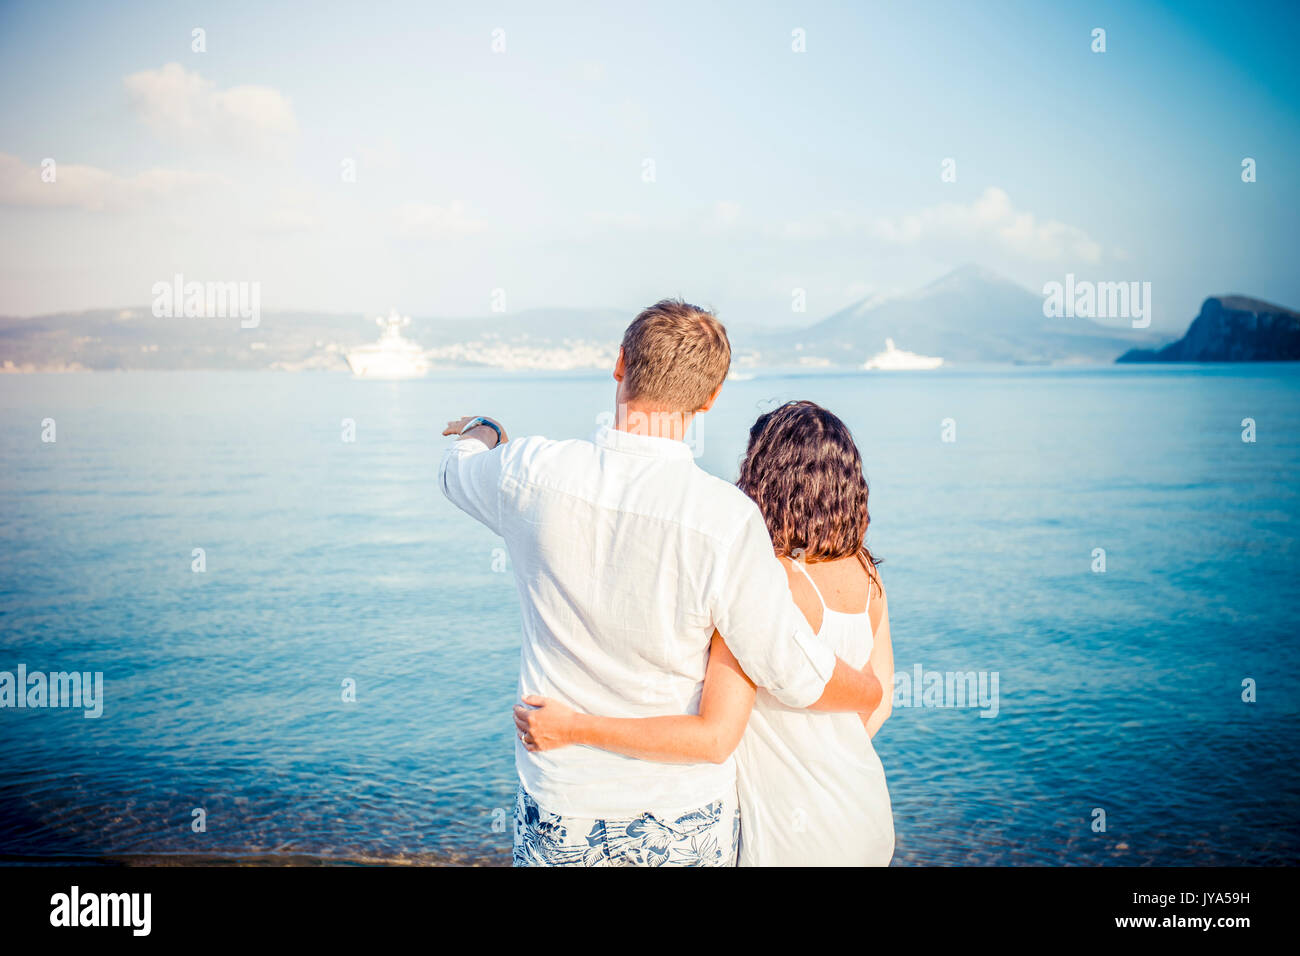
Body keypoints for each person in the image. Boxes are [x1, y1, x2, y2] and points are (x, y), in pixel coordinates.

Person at [439, 299, 881, 866]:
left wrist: (485, 428)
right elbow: (790, 670)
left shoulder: (532, 472)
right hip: (680, 815)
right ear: (711, 398)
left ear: (620, 363)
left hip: (562, 805)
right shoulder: (726, 519)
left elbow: (456, 472)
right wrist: (868, 689)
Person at [516, 401, 895, 866]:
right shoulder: (866, 571)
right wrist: (823, 750)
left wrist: (574, 727)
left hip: (789, 832)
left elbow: (713, 736)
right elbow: (879, 702)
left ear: (765, 476)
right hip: (861, 808)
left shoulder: (766, 584)